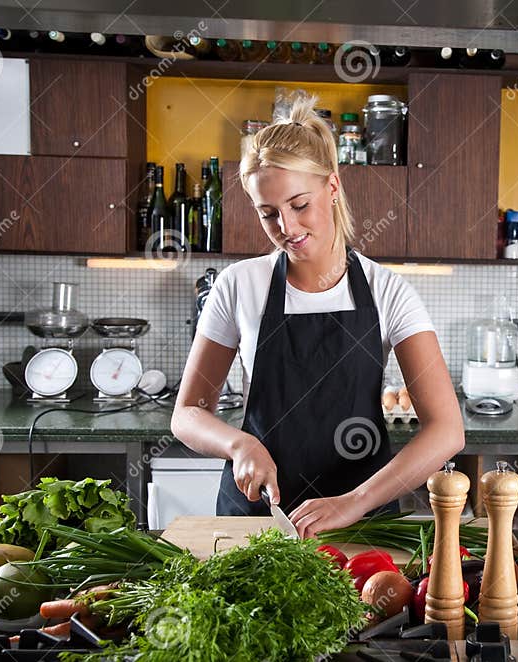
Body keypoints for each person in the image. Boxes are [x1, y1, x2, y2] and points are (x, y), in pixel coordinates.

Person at [171, 93, 464, 538]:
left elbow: (446, 430)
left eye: (299, 205)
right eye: (268, 214)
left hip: (360, 526)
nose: (286, 228)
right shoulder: (239, 285)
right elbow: (187, 415)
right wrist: (238, 443)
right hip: (259, 519)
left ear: (332, 187)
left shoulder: (387, 291)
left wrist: (355, 502)